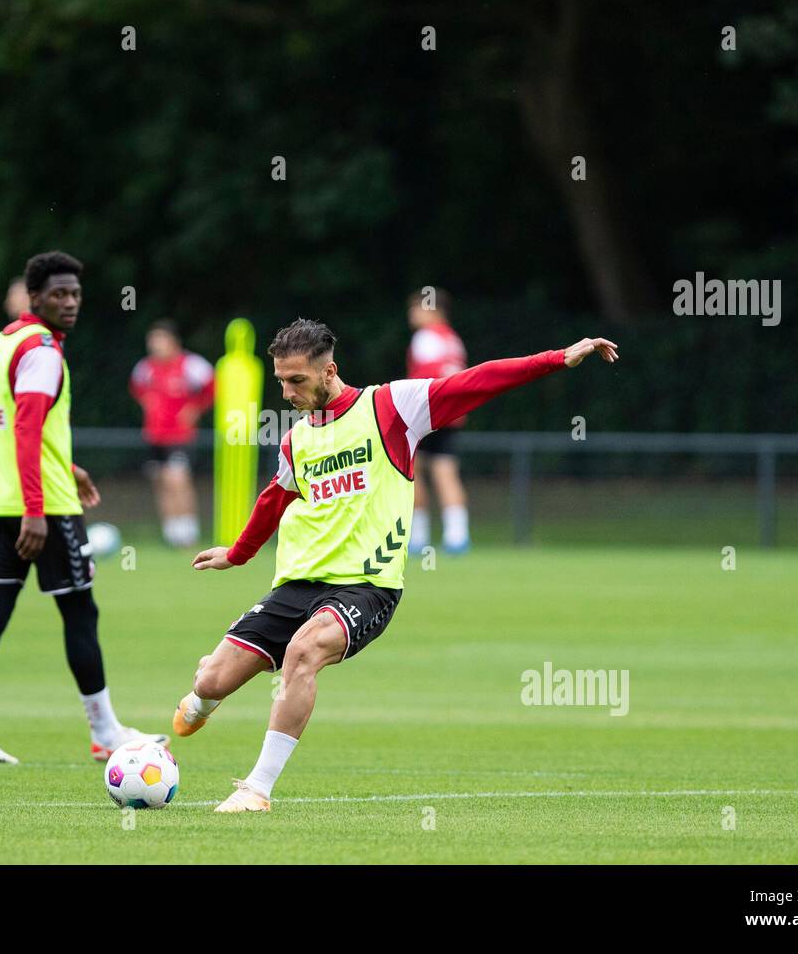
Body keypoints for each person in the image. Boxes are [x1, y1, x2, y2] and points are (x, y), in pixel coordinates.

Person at [173, 318, 618, 811]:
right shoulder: (296, 439)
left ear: (329, 371)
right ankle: (203, 693)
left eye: (296, 380)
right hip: (296, 586)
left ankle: (257, 789)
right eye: (280, 380)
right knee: (211, 682)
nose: (286, 392)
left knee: (303, 653)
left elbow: (477, 381)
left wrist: (559, 356)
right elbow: (275, 499)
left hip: (367, 588)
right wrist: (236, 554)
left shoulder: (391, 408)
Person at [0, 250, 167, 764]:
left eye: (75, 294)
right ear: (34, 298)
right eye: (58, 294)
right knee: (80, 610)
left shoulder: (7, 340)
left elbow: (12, 425)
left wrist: (66, 466)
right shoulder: (43, 352)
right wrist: (38, 506)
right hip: (43, 509)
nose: (70, 303)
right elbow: (27, 428)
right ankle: (105, 732)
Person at [129, 321, 215, 547]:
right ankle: (172, 533)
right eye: (152, 340)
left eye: (159, 340)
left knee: (177, 480)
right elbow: (137, 388)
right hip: (154, 435)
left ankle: (188, 533)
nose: (154, 345)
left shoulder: (191, 365)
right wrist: (147, 404)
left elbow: (213, 387)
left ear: (173, 341)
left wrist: (195, 409)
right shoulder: (146, 367)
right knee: (160, 480)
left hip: (180, 436)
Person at [405, 289, 470, 554]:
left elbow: (425, 377)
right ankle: (457, 536)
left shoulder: (425, 337)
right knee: (446, 471)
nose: (412, 314)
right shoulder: (453, 339)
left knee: (413, 471)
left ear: (432, 310)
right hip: (452, 412)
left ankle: (417, 537)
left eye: (416, 308)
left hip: (426, 411)